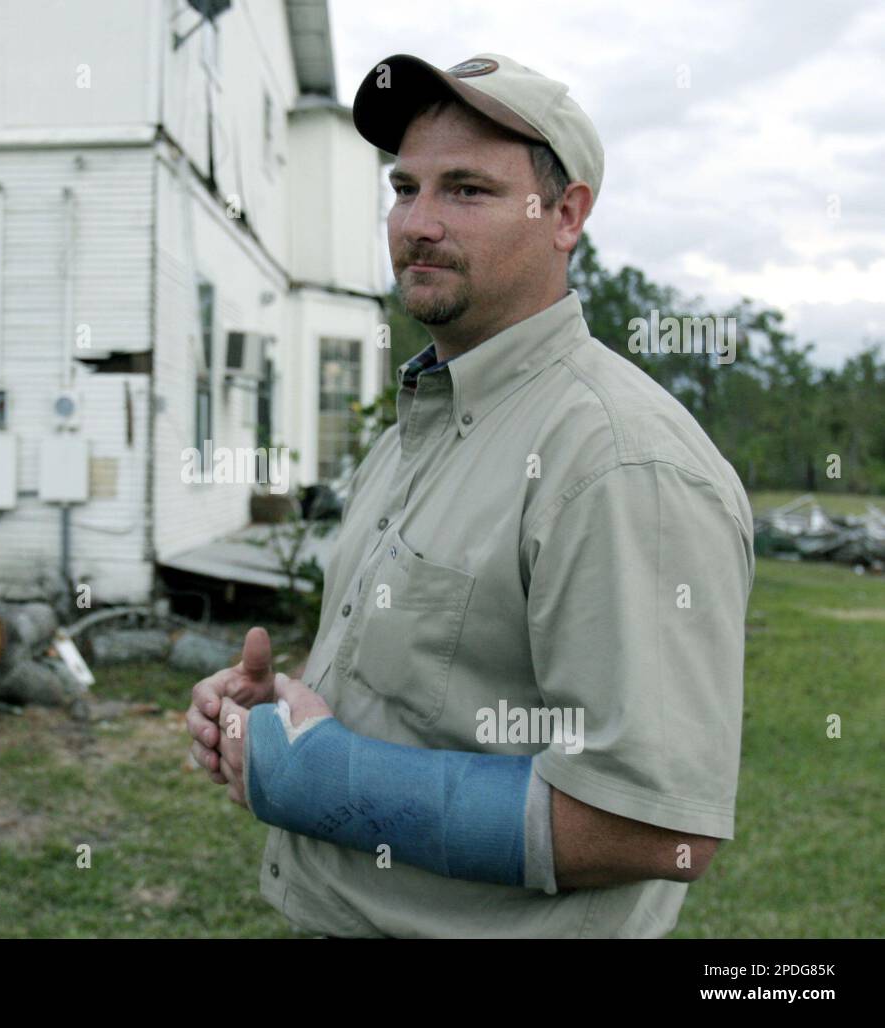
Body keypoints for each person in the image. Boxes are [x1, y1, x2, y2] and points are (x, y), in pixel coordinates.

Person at [186, 52, 755, 938]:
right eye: (404, 187)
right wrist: (279, 719)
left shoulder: (618, 461)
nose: (418, 223)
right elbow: (429, 690)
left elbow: (657, 827)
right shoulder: (414, 430)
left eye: (466, 191)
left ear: (566, 215)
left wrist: (320, 778)